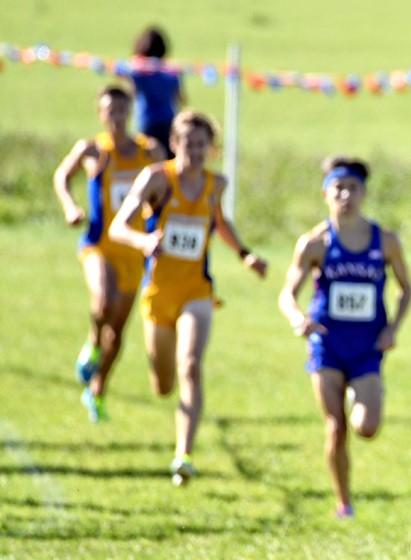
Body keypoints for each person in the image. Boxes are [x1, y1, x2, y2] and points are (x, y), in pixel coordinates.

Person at [109, 110, 267, 485]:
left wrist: (245, 254)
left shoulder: (216, 185)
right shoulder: (156, 179)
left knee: (191, 365)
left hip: (197, 291)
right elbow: (119, 226)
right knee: (163, 384)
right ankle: (165, 391)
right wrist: (144, 240)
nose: (194, 152)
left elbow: (218, 222)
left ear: (211, 148)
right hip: (158, 291)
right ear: (175, 144)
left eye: (202, 145)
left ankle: (184, 455)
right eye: (187, 144)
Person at [278, 156, 411, 519]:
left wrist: (392, 329)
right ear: (325, 194)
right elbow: (287, 293)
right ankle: (344, 502)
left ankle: (364, 390)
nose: (346, 195)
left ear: (364, 193)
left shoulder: (385, 241)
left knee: (366, 428)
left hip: (368, 347)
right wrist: (297, 318)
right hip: (327, 343)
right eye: (338, 188)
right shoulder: (314, 243)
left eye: (353, 188)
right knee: (336, 427)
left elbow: (406, 290)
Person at [53, 85, 166, 422]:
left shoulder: (149, 152)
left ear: (130, 112)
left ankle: (98, 389)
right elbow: (62, 175)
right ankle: (91, 341)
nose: (116, 118)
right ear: (100, 114)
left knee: (117, 331)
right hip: (98, 245)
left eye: (121, 111)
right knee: (103, 301)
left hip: (135, 251)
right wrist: (70, 205)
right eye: (110, 111)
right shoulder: (92, 150)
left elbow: (168, 186)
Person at [128, 26, 185, 158]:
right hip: (169, 120)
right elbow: (180, 98)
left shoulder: (138, 72)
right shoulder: (171, 71)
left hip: (146, 121)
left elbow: (132, 94)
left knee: (146, 161)